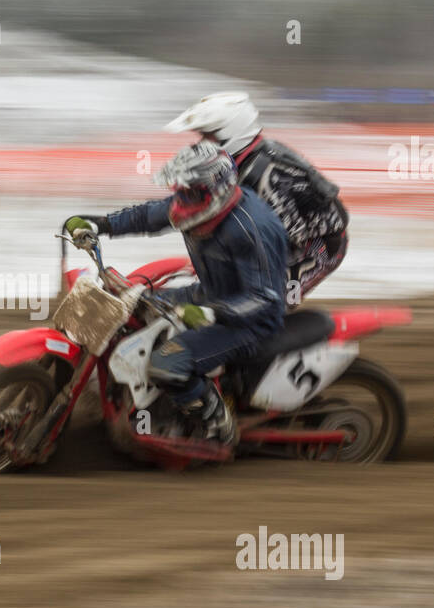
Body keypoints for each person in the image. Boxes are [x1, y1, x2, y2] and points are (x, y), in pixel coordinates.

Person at [65, 140, 288, 442]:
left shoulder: (252, 229)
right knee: (131, 311)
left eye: (191, 192)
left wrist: (211, 312)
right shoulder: (195, 205)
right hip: (210, 294)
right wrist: (100, 224)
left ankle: (218, 425)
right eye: (181, 190)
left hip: (250, 321)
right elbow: (147, 216)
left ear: (216, 188)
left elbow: (265, 299)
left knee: (167, 363)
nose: (182, 199)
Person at [165, 91, 348, 302]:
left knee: (260, 304)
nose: (200, 144)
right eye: (201, 136)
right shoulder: (244, 158)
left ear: (231, 133)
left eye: (207, 136)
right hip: (289, 238)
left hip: (319, 248)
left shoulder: (265, 175)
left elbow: (283, 240)